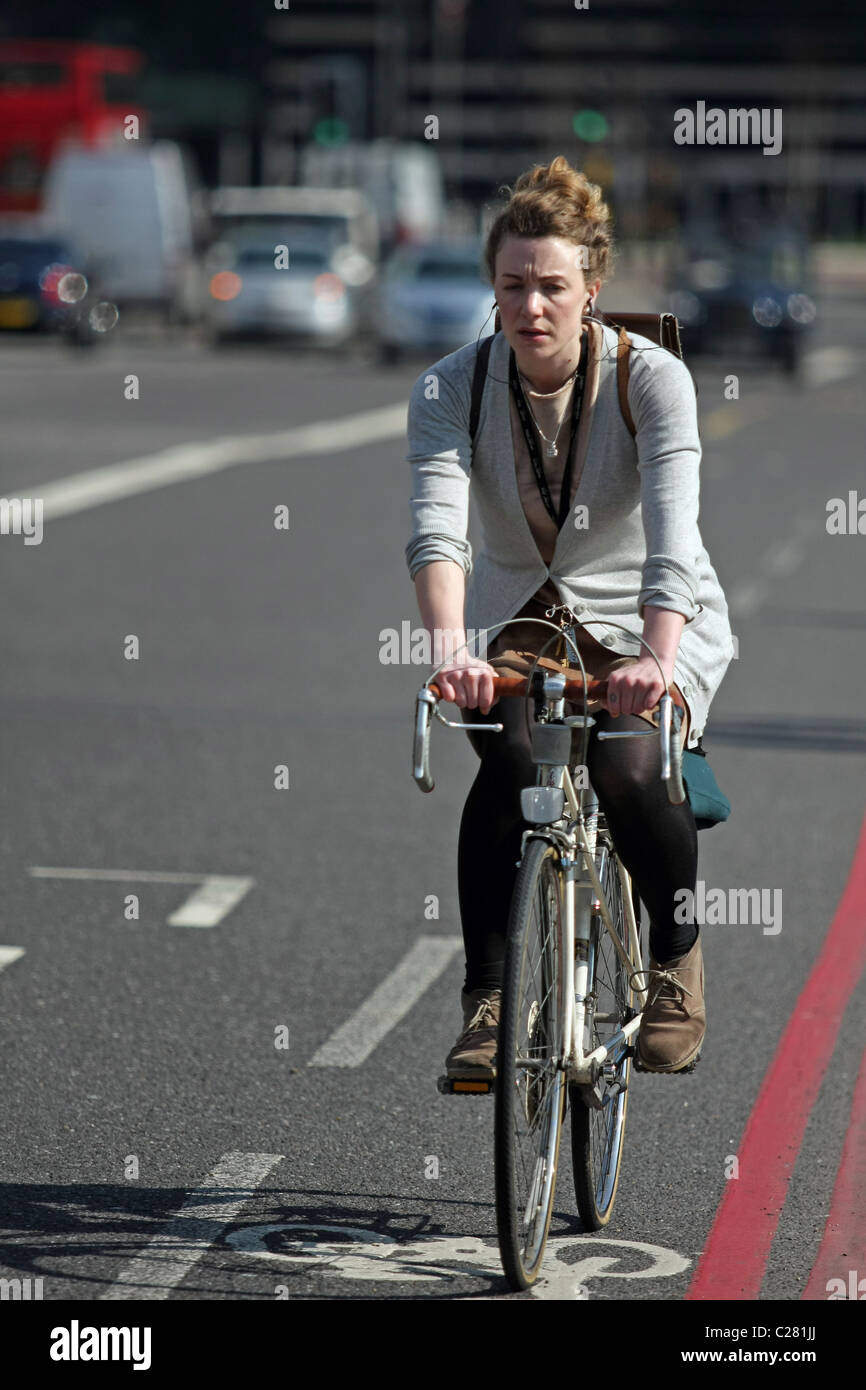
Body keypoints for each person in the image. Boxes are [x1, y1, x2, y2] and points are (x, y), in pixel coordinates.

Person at [405, 156, 733, 1077]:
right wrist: (445, 652)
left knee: (631, 767)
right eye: (513, 286)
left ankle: (673, 965)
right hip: (523, 623)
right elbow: (437, 534)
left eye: (553, 285)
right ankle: (490, 1003)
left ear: (593, 286)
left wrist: (660, 662)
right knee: (508, 758)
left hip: (647, 619)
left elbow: (676, 530)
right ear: (493, 289)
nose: (532, 306)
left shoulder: (652, 380)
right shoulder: (449, 390)